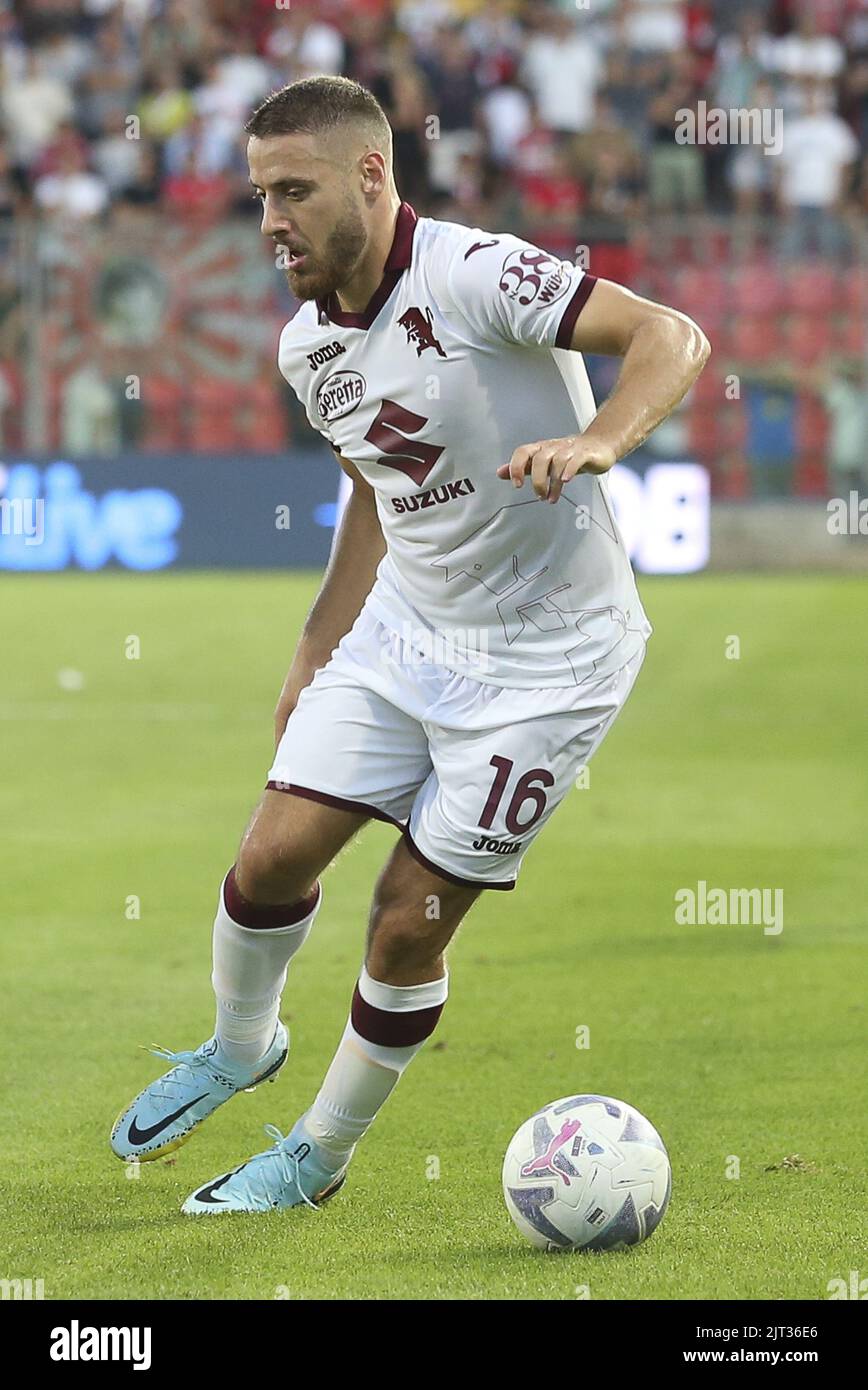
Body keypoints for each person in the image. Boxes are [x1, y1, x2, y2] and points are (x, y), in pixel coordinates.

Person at [110, 76, 710, 1216]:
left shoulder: (473, 273)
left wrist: (598, 437)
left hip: (551, 663)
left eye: (294, 190)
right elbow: (373, 495)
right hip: (408, 630)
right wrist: (312, 652)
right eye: (260, 194)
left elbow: (670, 336)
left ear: (371, 175)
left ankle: (316, 1157)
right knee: (268, 860)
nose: (271, 219)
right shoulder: (304, 348)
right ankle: (243, 1045)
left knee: (403, 919)